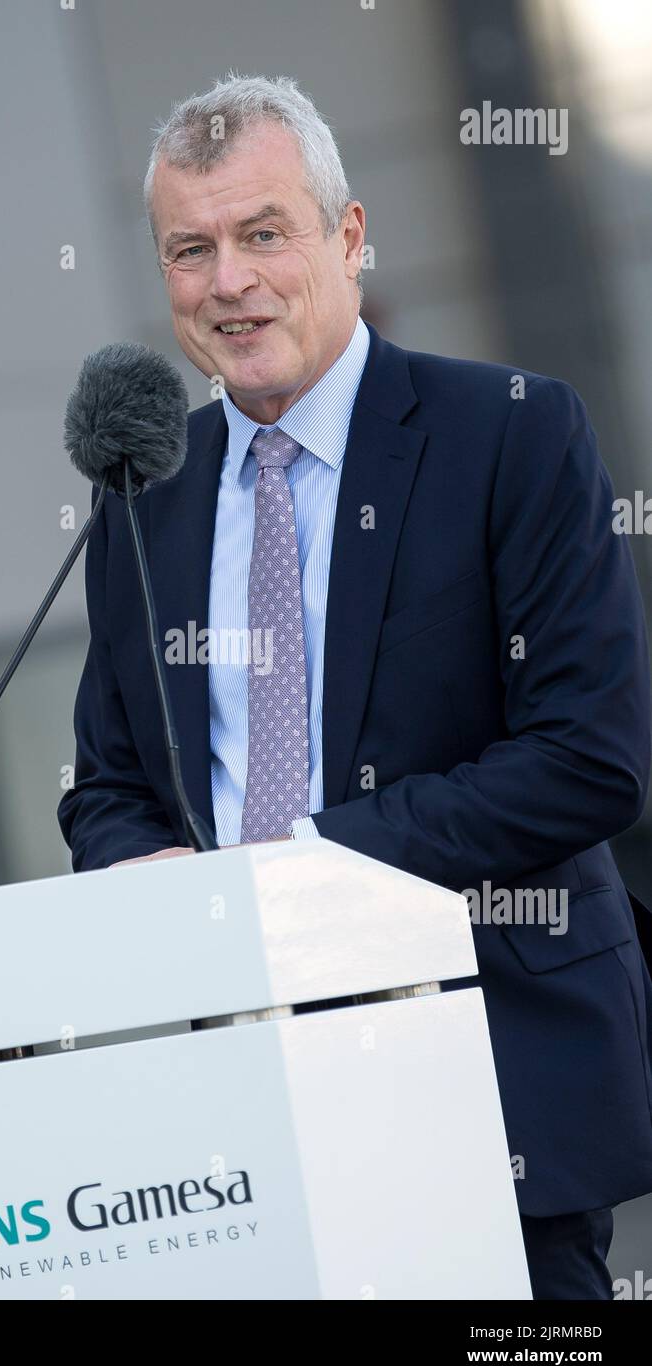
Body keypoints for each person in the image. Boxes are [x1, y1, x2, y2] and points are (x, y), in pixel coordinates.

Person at [58, 73, 652, 1299]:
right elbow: (111, 782)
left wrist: (303, 863)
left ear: (347, 234)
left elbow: (590, 757)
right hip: (242, 1113)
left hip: (488, 1075)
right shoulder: (141, 494)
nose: (228, 280)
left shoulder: (510, 433)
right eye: (191, 248)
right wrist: (141, 877)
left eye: (263, 233)